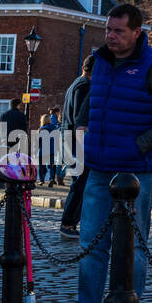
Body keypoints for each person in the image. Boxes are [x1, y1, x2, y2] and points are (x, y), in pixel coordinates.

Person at [74, 3, 152, 303]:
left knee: (134, 246)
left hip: (138, 173)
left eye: (118, 31)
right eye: (108, 29)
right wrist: (83, 125)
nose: (111, 36)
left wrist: (142, 144)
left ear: (137, 32)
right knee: (91, 244)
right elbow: (92, 100)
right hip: (99, 169)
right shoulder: (100, 61)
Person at [59, 54, 95, 239]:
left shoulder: (75, 83)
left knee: (79, 183)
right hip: (76, 140)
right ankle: (68, 223)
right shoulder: (84, 86)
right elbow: (79, 117)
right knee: (80, 184)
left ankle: (71, 222)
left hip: (69, 138)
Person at [37, 113, 59, 185]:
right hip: (52, 150)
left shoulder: (41, 129)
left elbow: (38, 141)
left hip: (43, 149)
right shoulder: (54, 128)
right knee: (51, 166)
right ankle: (51, 179)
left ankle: (41, 180)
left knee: (41, 166)